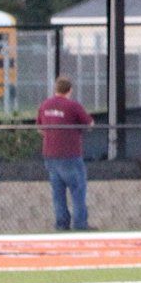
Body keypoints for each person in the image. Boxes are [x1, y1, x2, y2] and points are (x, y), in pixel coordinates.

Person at [36, 76, 92, 232]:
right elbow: (88, 124)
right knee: (78, 190)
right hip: (70, 154)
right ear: (70, 90)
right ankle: (80, 225)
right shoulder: (73, 106)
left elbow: (40, 128)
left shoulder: (45, 105)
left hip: (50, 155)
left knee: (58, 193)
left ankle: (62, 224)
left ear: (56, 89)